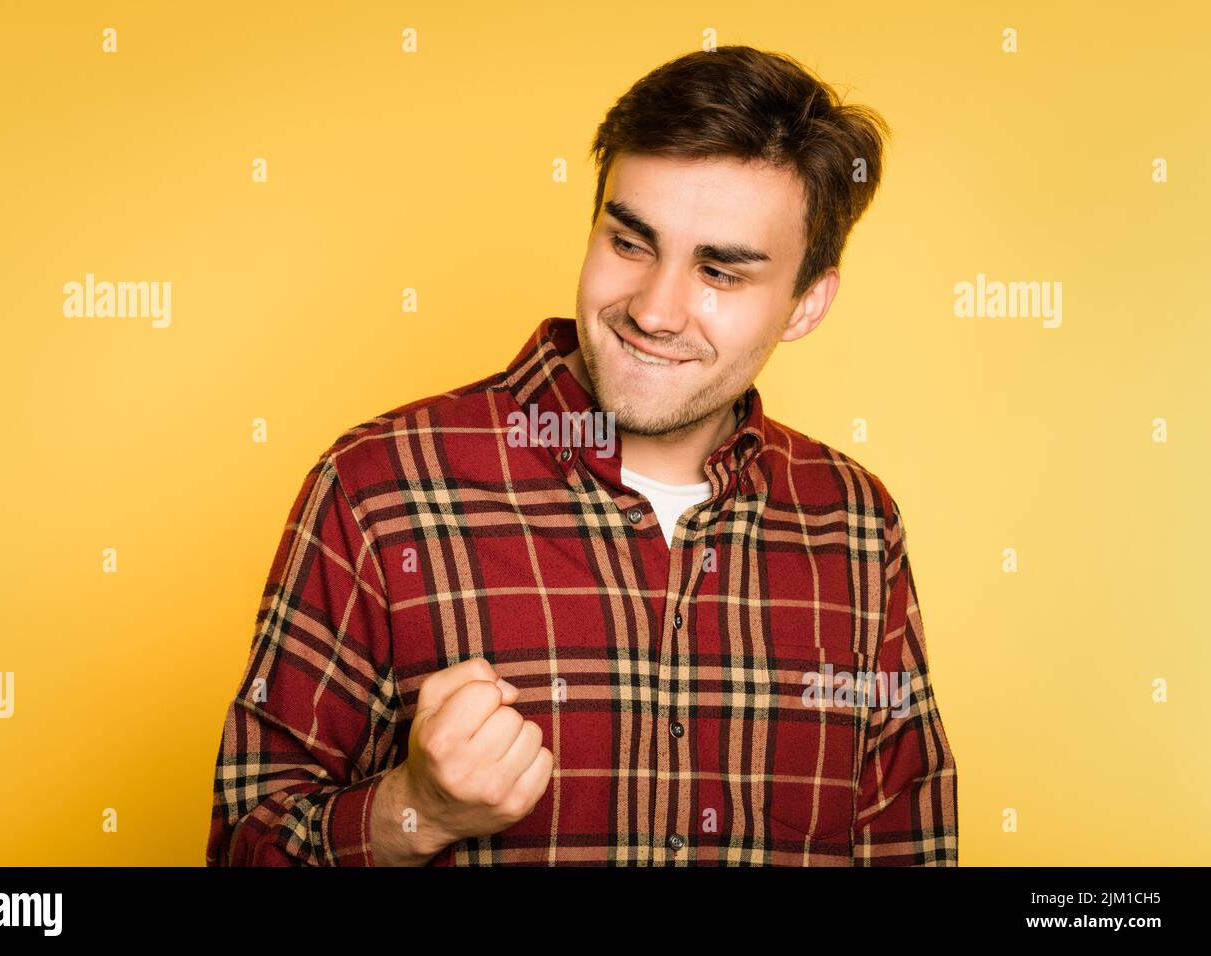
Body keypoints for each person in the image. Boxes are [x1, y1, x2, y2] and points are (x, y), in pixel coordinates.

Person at [205, 44, 957, 867]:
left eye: (721, 272)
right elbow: (245, 844)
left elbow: (907, 844)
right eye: (631, 244)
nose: (655, 311)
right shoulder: (379, 488)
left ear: (808, 303)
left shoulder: (854, 521)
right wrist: (412, 809)